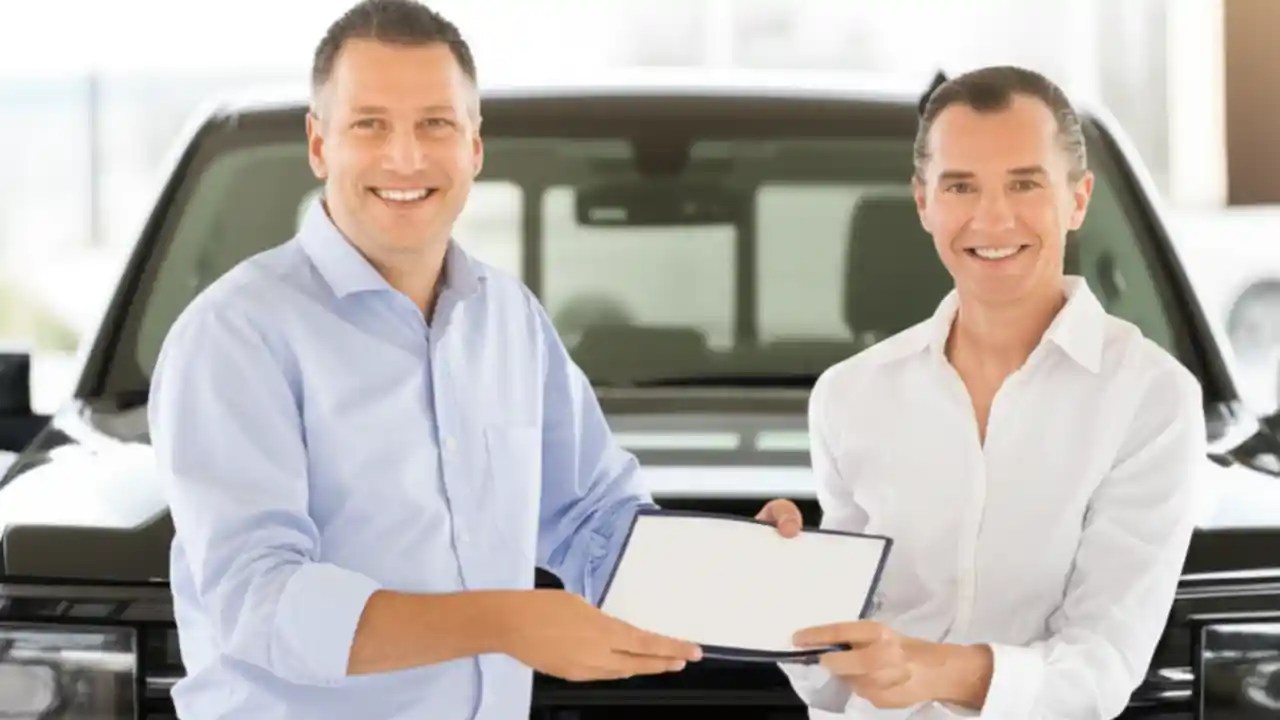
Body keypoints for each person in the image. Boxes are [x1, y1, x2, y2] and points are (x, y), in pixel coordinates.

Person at [147, 1, 804, 718]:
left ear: (474, 146)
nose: (406, 157)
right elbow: (260, 601)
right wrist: (508, 620)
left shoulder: (509, 320)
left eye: (436, 123)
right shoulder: (237, 336)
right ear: (319, 144)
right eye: (370, 124)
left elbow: (593, 520)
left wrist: (741, 571)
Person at [778, 65, 1207, 719]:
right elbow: (836, 685)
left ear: (1077, 198)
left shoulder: (1151, 401)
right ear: (923, 202)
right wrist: (774, 597)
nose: (993, 216)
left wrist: (933, 670)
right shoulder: (848, 396)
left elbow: (1101, 667)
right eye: (961, 186)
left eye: (1024, 183)